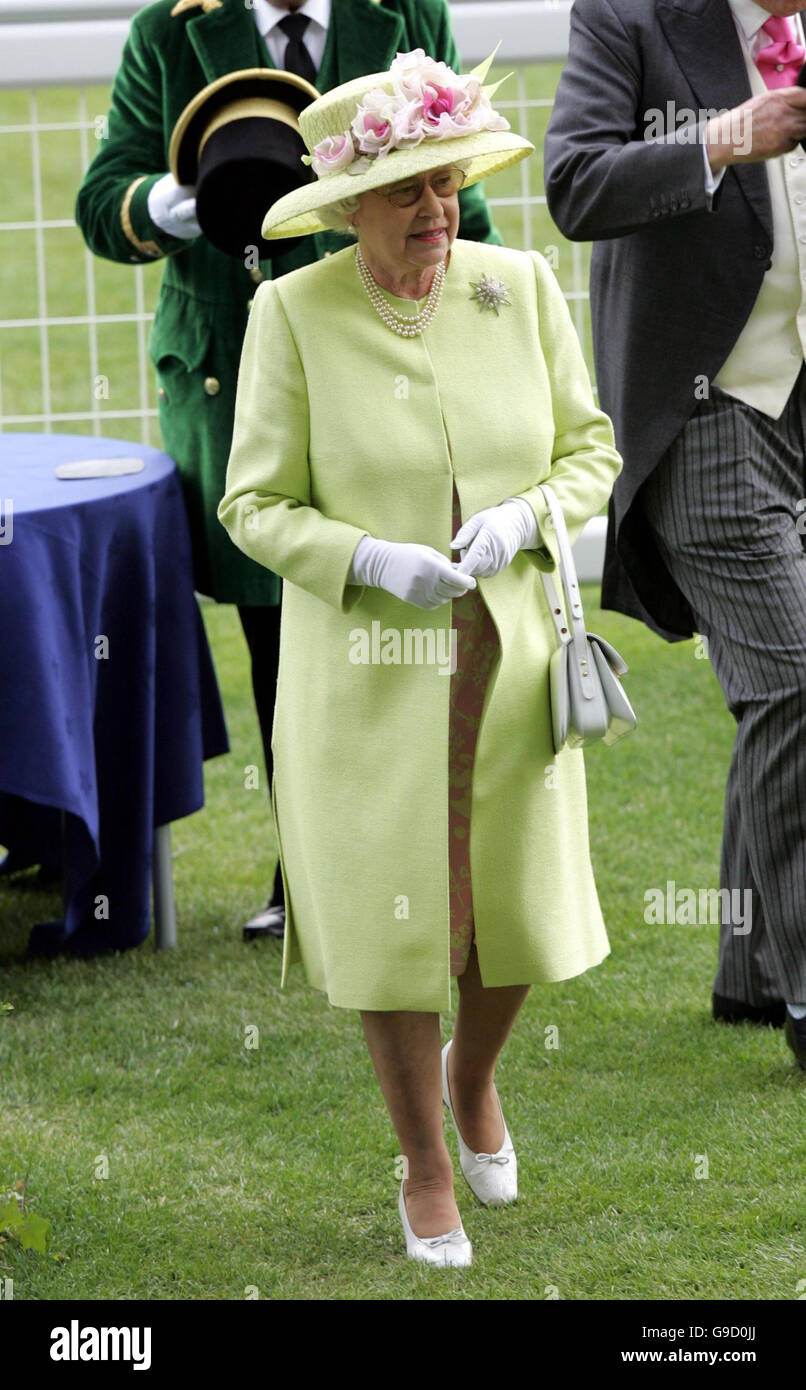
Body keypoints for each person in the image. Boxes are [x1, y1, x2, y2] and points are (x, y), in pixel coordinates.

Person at [217, 47, 623, 1266]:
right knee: (404, 919)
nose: (434, 211)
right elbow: (253, 506)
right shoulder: (289, 312)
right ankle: (423, 1161)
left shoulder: (517, 286)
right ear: (348, 207)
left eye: (445, 182)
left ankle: (474, 1073)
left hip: (509, 669)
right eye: (404, 191)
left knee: (512, 909)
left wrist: (526, 518)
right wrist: (366, 559)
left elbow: (589, 450)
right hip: (368, 684)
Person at [74, 0, 501, 943]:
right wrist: (189, 202)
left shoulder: (407, 11)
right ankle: (307, 865)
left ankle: (411, 860)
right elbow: (102, 202)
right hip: (235, 373)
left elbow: (457, 191)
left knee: (403, 623)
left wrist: (495, 318)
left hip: (387, 356)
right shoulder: (166, 31)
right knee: (283, 634)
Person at [544, 0, 806, 1069]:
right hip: (701, 413)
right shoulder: (626, 16)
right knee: (795, 685)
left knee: (777, 693)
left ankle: (748, 971)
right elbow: (574, 183)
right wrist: (721, 136)